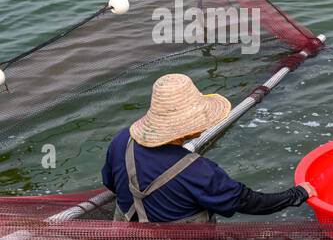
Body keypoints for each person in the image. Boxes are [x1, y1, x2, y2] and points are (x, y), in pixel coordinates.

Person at [102, 73, 315, 223]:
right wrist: (296, 194)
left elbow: (110, 183)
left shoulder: (122, 140)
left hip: (126, 237)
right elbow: (248, 202)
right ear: (188, 128)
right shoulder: (198, 171)